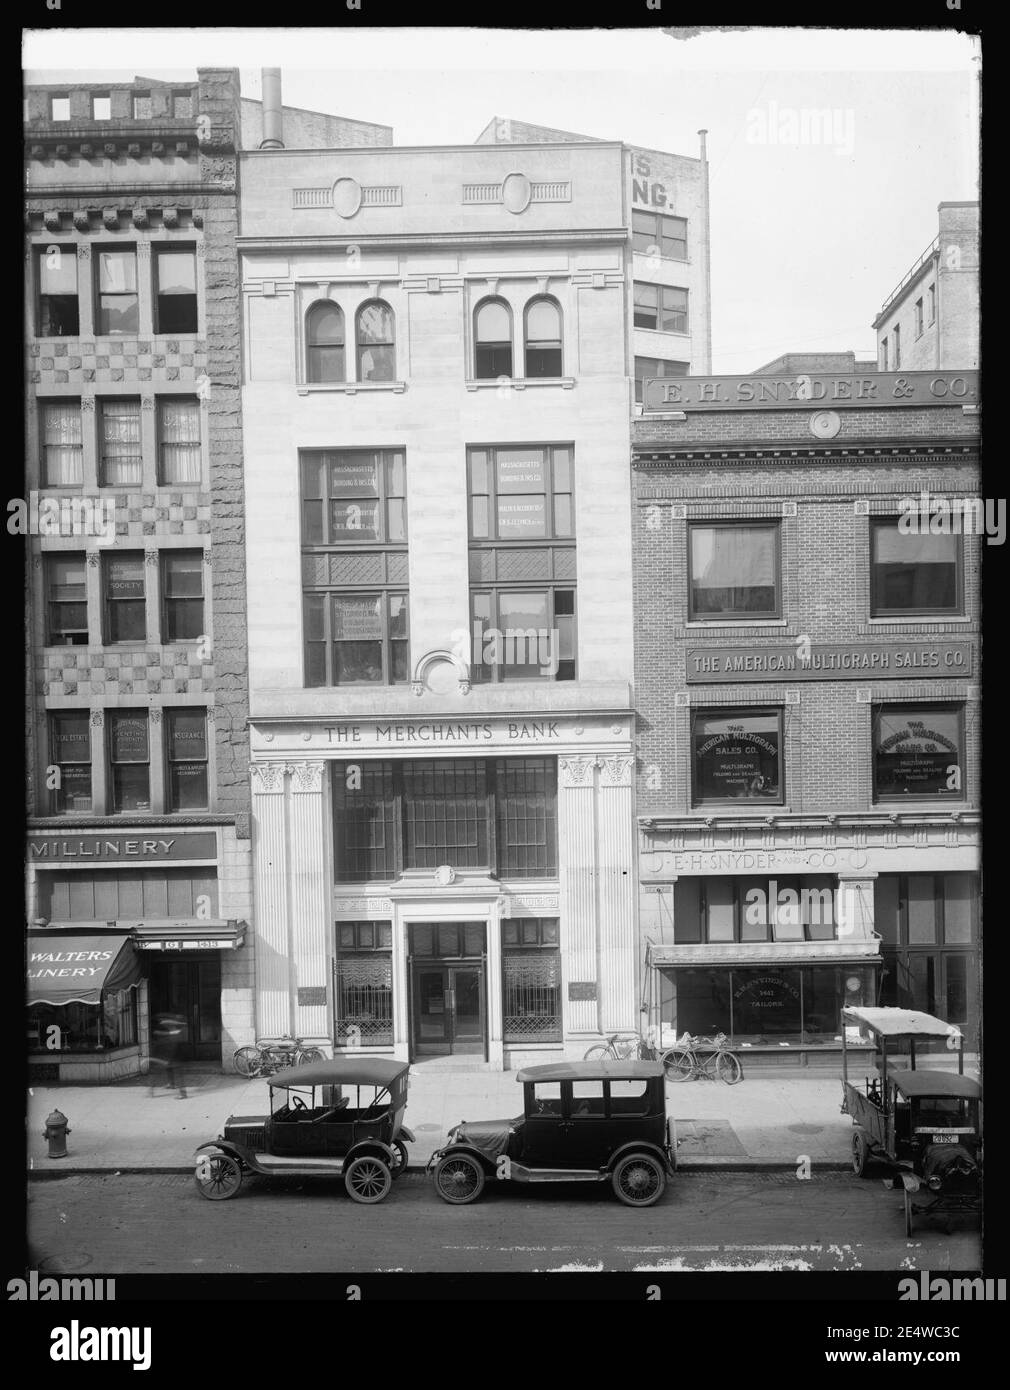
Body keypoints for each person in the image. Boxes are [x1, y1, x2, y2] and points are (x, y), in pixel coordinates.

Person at [148, 1013, 187, 1099]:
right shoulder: (172, 1031)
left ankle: (183, 1094)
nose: (164, 1022)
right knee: (168, 1069)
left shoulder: (176, 1032)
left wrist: (166, 1058)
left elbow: (172, 1043)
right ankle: (171, 1084)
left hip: (173, 1056)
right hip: (168, 1055)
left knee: (177, 1072)